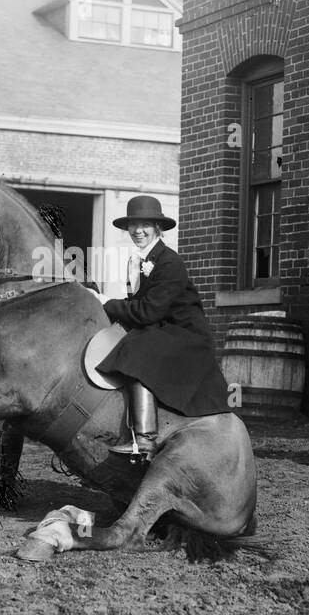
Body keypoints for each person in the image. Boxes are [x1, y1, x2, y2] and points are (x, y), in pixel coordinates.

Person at [95, 196, 230, 460]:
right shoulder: (137, 261)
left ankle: (145, 438)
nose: (138, 231)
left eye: (145, 224)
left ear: (158, 228)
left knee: (138, 348)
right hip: (163, 327)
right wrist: (101, 301)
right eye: (133, 225)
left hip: (185, 335)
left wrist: (107, 304)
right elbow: (138, 304)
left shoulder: (170, 262)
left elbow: (147, 311)